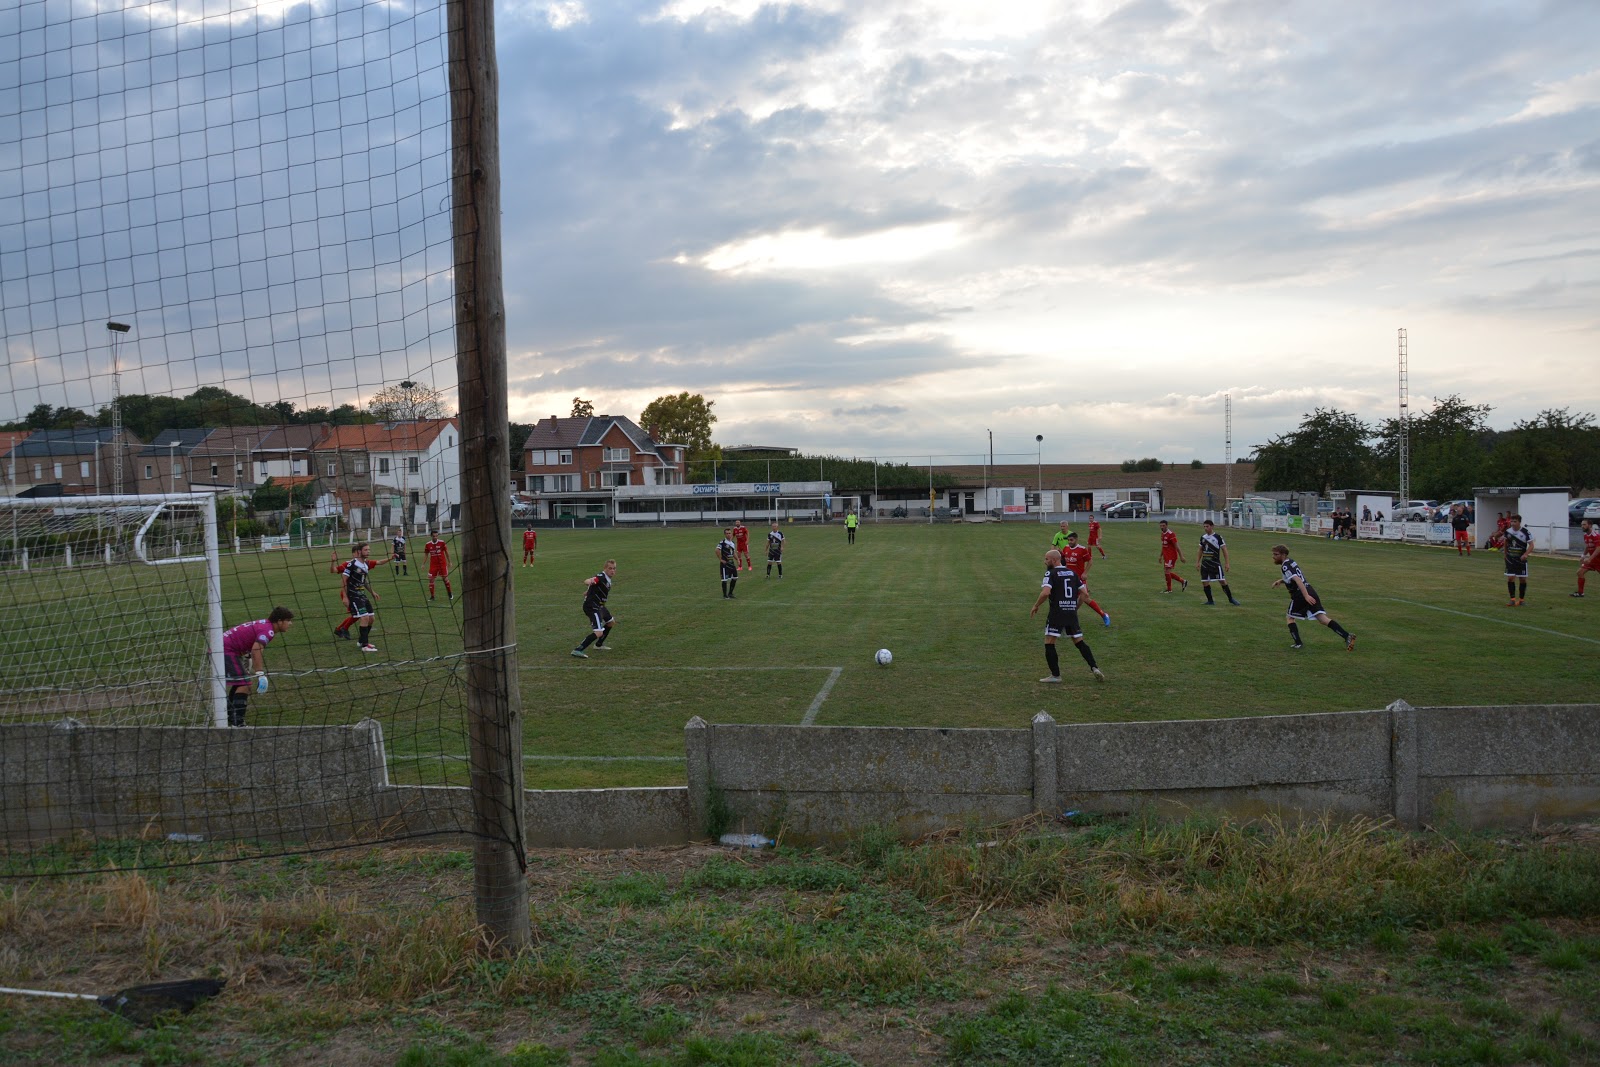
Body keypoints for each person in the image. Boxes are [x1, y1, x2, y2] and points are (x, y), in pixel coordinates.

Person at [1030, 548, 1104, 684]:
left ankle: (1055, 675)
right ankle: (1095, 668)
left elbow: (1046, 592)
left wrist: (1036, 605)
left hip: (1057, 613)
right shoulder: (1073, 573)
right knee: (1079, 642)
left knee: (1049, 642)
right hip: (1071, 612)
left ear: (1054, 560)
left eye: (1046, 559)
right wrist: (1075, 607)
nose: (1044, 562)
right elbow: (1084, 594)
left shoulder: (1050, 573)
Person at [1271, 544, 1355, 651]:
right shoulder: (1291, 561)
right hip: (1310, 589)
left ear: (1283, 555)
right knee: (1322, 619)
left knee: (1290, 617)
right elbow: (1295, 577)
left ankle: (1298, 643)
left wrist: (1305, 596)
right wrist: (1281, 581)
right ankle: (1347, 636)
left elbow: (1297, 580)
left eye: (1276, 554)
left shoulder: (1285, 566)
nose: (1273, 556)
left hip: (1301, 593)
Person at [222, 607, 294, 727]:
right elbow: (256, 649)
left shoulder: (265, 625)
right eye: (288, 620)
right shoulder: (268, 631)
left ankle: (231, 717)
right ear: (280, 621)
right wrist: (260, 673)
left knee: (239, 683)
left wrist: (246, 654)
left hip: (224, 649)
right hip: (225, 651)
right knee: (244, 684)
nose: (290, 623)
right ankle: (237, 723)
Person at [342, 541, 390, 652]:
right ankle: (365, 645)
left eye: (369, 550)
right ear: (359, 551)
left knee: (371, 618)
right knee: (364, 617)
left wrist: (372, 592)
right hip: (354, 595)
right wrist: (345, 597)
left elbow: (363, 581)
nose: (368, 551)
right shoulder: (352, 564)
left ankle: (361, 640)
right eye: (366, 550)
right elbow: (344, 580)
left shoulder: (365, 564)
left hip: (362, 594)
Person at [1059, 531, 1110, 626]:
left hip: (1079, 579)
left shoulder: (1082, 549)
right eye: (1068, 540)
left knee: (1084, 597)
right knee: (1068, 598)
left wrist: (1085, 573)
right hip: (1069, 579)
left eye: (1071, 540)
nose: (1069, 542)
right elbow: (1063, 560)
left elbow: (1090, 561)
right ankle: (1067, 618)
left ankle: (1103, 615)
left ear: (1076, 540)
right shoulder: (1065, 548)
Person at [571, 559, 617, 657]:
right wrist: (589, 582)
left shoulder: (608, 579)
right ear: (605, 569)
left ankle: (598, 645)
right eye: (610, 568)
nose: (612, 570)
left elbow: (597, 588)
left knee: (610, 622)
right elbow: (591, 581)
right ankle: (578, 650)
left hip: (600, 605)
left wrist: (588, 592)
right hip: (592, 606)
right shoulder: (601, 576)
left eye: (614, 568)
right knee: (599, 632)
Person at [1196, 520, 1240, 605]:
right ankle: (1210, 601)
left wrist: (1227, 563)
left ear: (1212, 526)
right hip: (1205, 564)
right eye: (1204, 526)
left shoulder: (1218, 537)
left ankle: (1231, 599)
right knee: (1204, 582)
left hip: (1215, 564)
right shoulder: (1203, 537)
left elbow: (1224, 550)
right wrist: (1197, 562)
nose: (1205, 528)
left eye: (1207, 526)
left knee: (1222, 581)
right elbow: (1200, 550)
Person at [1502, 513, 1532, 606]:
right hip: (1511, 558)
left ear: (1519, 522)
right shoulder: (1508, 532)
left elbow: (1531, 545)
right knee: (1510, 578)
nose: (1513, 523)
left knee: (1522, 579)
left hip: (1521, 560)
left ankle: (1522, 600)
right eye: (1511, 521)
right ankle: (1512, 599)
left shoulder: (1525, 532)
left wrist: (1526, 554)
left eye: (1515, 521)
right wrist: (1505, 554)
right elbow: (1506, 543)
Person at [1157, 519, 1188, 592]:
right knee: (1166, 572)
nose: (1162, 527)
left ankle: (1169, 589)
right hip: (1166, 556)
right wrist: (1160, 556)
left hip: (1171, 556)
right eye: (1161, 526)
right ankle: (1183, 581)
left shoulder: (1171, 534)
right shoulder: (1162, 534)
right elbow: (1163, 546)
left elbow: (1177, 546)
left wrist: (1181, 556)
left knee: (1167, 571)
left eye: (1163, 526)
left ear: (1167, 526)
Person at [1573, 518, 1599, 598]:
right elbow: (1588, 547)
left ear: (1590, 525)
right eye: (1581, 525)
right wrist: (1583, 556)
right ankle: (1581, 593)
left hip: (1598, 560)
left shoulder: (1595, 535)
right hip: (1592, 560)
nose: (1582, 526)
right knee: (1580, 572)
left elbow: (1598, 548)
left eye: (1584, 524)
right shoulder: (1586, 536)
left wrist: (1590, 558)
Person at [425, 531, 454, 602]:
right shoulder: (428, 544)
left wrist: (449, 562)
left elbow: (446, 552)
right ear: (431, 536)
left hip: (442, 564)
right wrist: (423, 563)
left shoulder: (442, 543)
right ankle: (432, 596)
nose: (435, 537)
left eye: (436, 536)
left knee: (445, 579)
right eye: (434, 536)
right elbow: (426, 554)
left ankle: (450, 594)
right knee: (431, 579)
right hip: (433, 565)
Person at [717, 527, 739, 599]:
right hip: (725, 564)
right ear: (725, 534)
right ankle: (725, 595)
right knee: (724, 579)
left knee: (735, 577)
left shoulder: (732, 543)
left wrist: (737, 559)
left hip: (731, 563)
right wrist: (720, 559)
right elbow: (717, 550)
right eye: (727, 533)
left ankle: (730, 593)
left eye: (729, 533)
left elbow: (733, 553)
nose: (728, 535)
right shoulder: (722, 543)